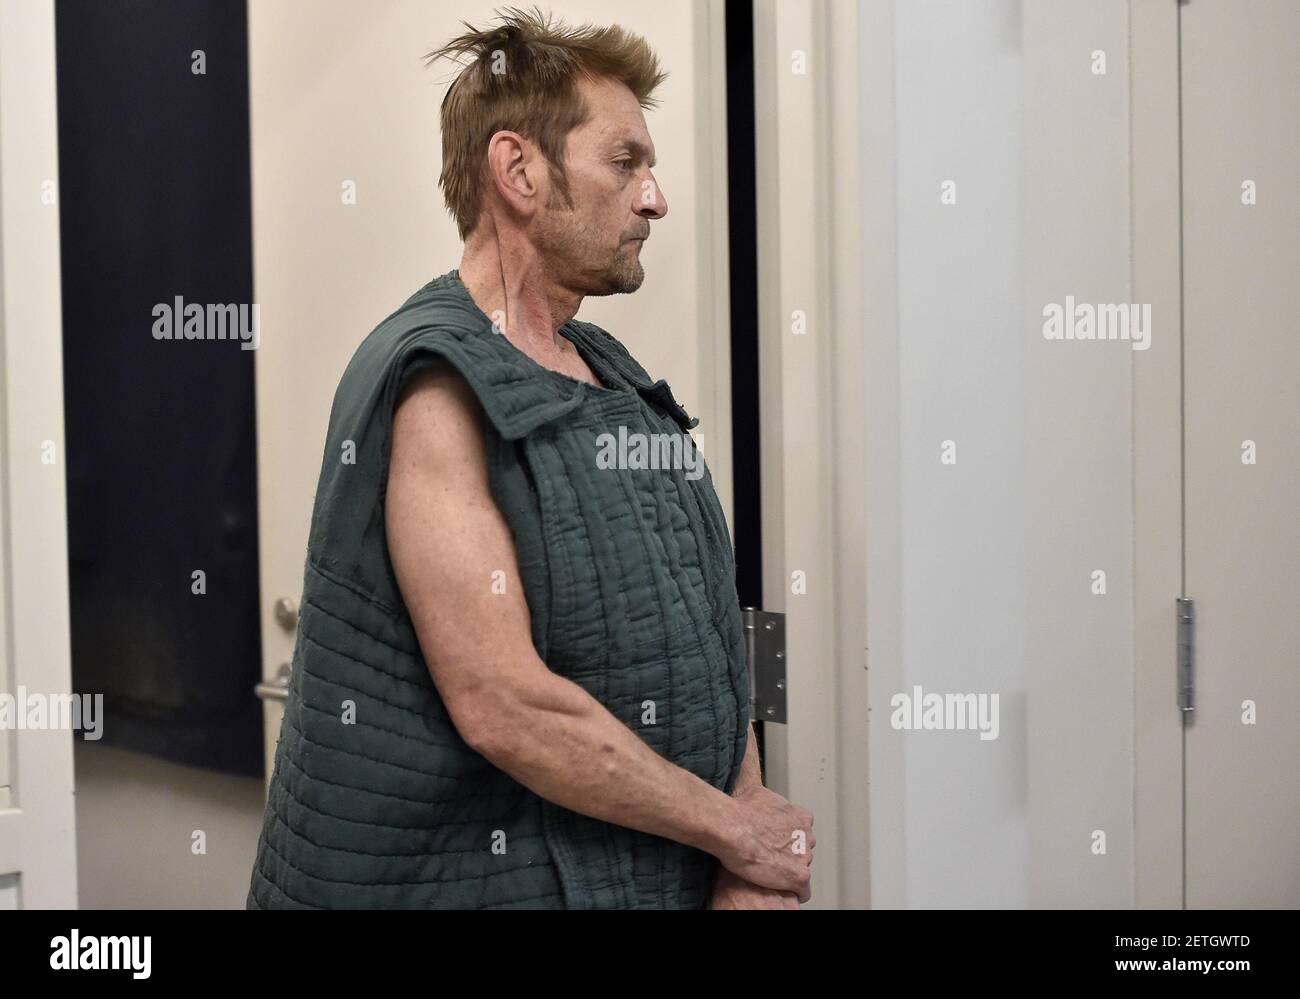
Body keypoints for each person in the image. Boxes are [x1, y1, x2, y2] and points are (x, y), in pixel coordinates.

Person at [247, 6, 814, 910]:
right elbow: (506, 705)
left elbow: (711, 619)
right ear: (518, 169)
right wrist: (733, 828)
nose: (655, 197)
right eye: (626, 162)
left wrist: (742, 830)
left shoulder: (615, 376)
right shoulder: (434, 383)